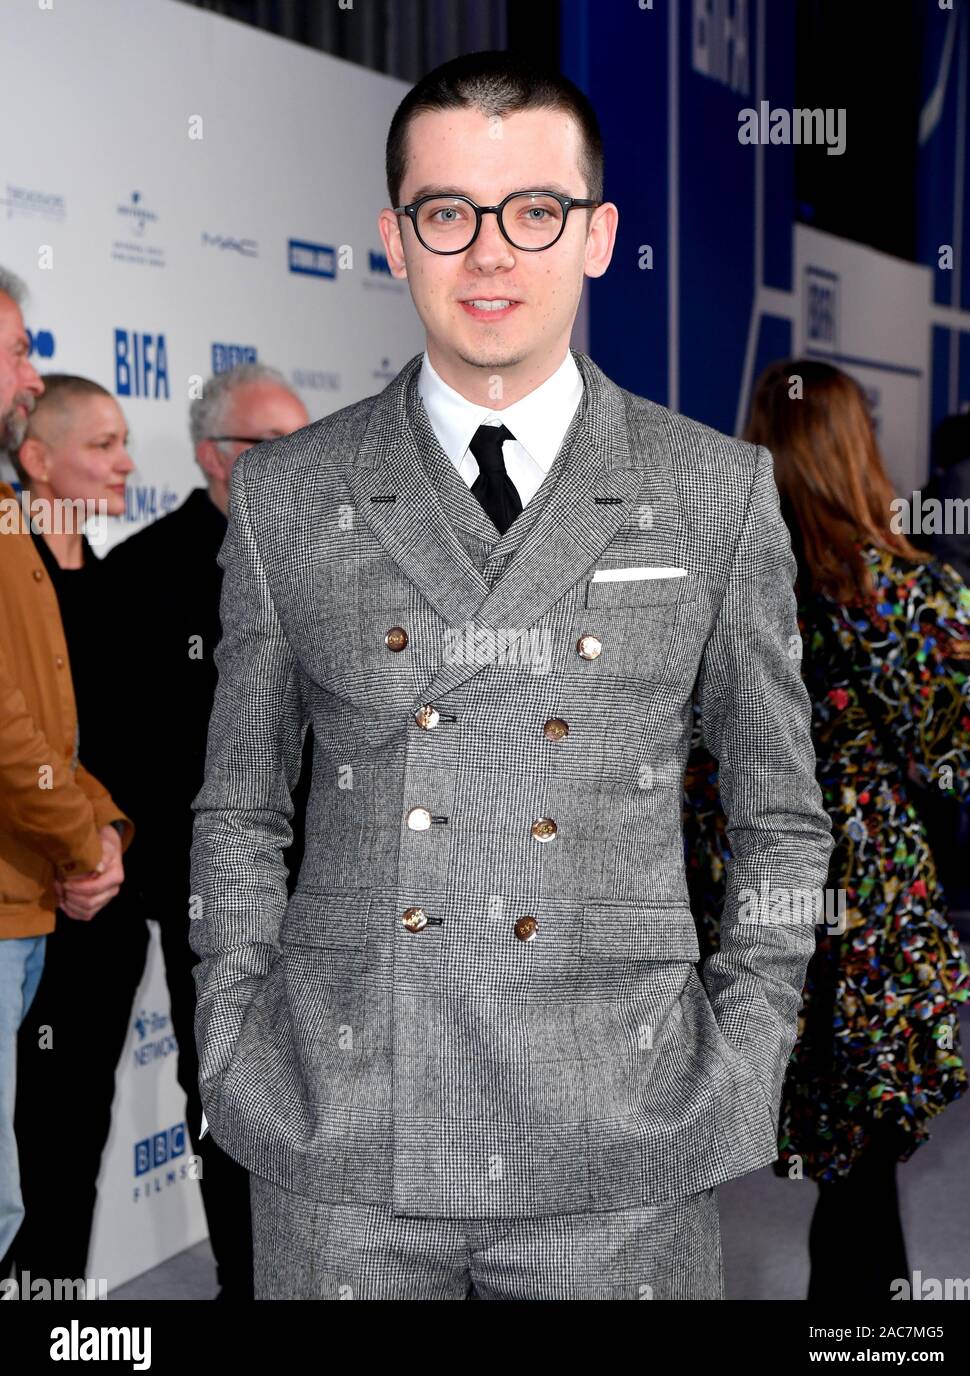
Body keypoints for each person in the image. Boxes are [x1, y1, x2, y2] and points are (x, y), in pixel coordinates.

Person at [189, 51, 834, 1301]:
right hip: (347, 1137)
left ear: (596, 237)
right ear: (395, 239)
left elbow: (781, 817)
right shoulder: (287, 494)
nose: (491, 254)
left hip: (620, 1142)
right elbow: (238, 808)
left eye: (533, 211)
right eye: (449, 213)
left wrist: (747, 1051)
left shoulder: (711, 491)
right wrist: (233, 1046)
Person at [683, 358, 970, 1300]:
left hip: (749, 912)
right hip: (868, 916)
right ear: (857, 449)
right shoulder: (905, 595)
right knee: (862, 1177)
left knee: (843, 1177)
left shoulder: (702, 587)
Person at [101, 363, 309, 1300]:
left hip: (342, 894)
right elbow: (119, 750)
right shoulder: (143, 575)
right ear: (209, 455)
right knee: (228, 1104)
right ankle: (248, 1285)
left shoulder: (332, 563)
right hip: (215, 905)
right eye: (266, 443)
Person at [2, 373, 144, 1286]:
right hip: (31, 888)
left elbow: (135, 755)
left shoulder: (127, 584)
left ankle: (62, 1316)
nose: (126, 462)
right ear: (37, 461)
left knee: (76, 1128)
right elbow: (21, 738)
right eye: (101, 445)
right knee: (24, 1143)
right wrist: (77, 843)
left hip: (103, 894)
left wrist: (110, 845)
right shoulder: (17, 566)